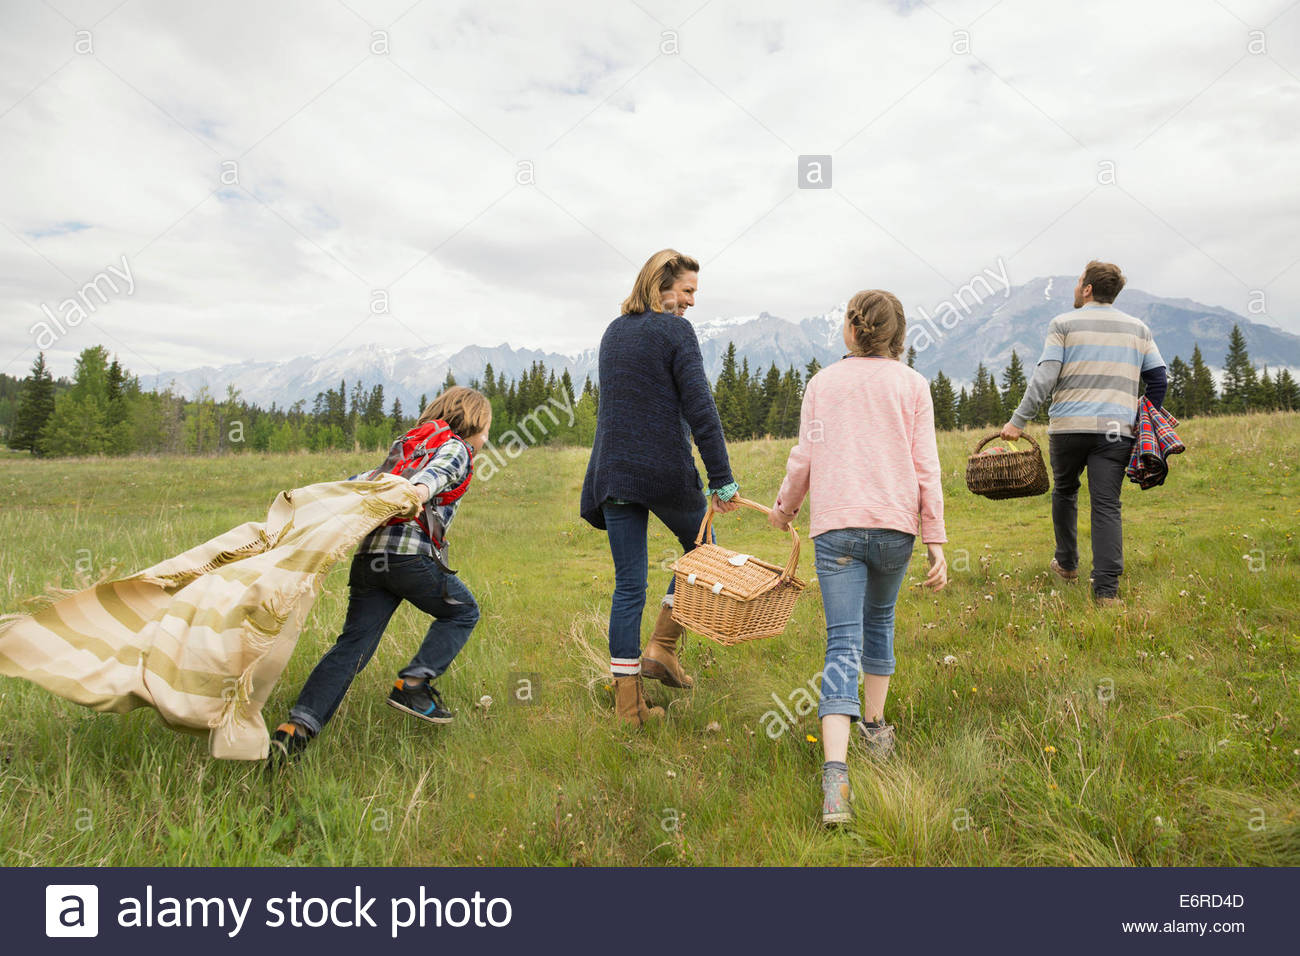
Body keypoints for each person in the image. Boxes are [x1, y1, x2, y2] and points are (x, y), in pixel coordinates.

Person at [770, 289, 947, 827]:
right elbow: (926, 467)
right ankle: (875, 728)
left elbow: (806, 456)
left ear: (851, 330)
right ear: (897, 334)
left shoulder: (822, 385)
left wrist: (785, 508)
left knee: (841, 641)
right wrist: (935, 537)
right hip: (896, 528)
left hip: (838, 529)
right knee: (882, 621)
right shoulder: (913, 385)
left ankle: (835, 782)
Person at [268, 386, 492, 765]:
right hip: (407, 559)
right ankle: (413, 684)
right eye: (486, 428)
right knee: (463, 610)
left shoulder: (406, 446)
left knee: (352, 645)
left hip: (370, 561)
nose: (487, 438)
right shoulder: (456, 446)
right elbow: (438, 474)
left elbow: (367, 482)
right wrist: (418, 492)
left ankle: (296, 729)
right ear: (471, 421)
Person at [579, 249, 739, 726]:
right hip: (662, 471)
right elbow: (701, 410)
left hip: (613, 473)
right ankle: (663, 646)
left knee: (628, 587)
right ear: (661, 285)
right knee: (703, 548)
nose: (690, 302)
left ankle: (628, 708)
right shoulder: (675, 331)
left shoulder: (613, 331)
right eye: (687, 291)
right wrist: (722, 478)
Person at [1000, 260, 1166, 606]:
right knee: (1107, 505)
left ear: (1088, 288)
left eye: (1079, 282)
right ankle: (1106, 592)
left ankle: (1067, 564)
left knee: (1065, 490)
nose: (1076, 287)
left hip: (1068, 428)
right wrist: (1143, 415)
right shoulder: (1138, 329)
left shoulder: (1063, 324)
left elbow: (1045, 377)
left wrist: (1018, 421)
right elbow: (1158, 379)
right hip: (1114, 431)